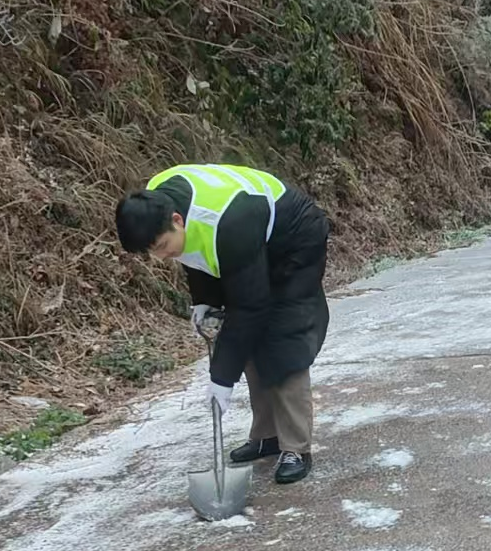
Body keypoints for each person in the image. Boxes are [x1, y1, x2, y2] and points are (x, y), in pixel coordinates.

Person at [115, 163, 331, 484]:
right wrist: (206, 300)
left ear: (177, 220)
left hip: (293, 238)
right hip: (247, 242)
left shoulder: (228, 222)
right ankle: (268, 436)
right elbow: (196, 250)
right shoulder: (159, 198)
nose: (159, 258)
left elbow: (250, 307)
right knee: (249, 341)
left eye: (160, 247)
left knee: (284, 337)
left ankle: (296, 446)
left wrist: (221, 377)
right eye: (150, 252)